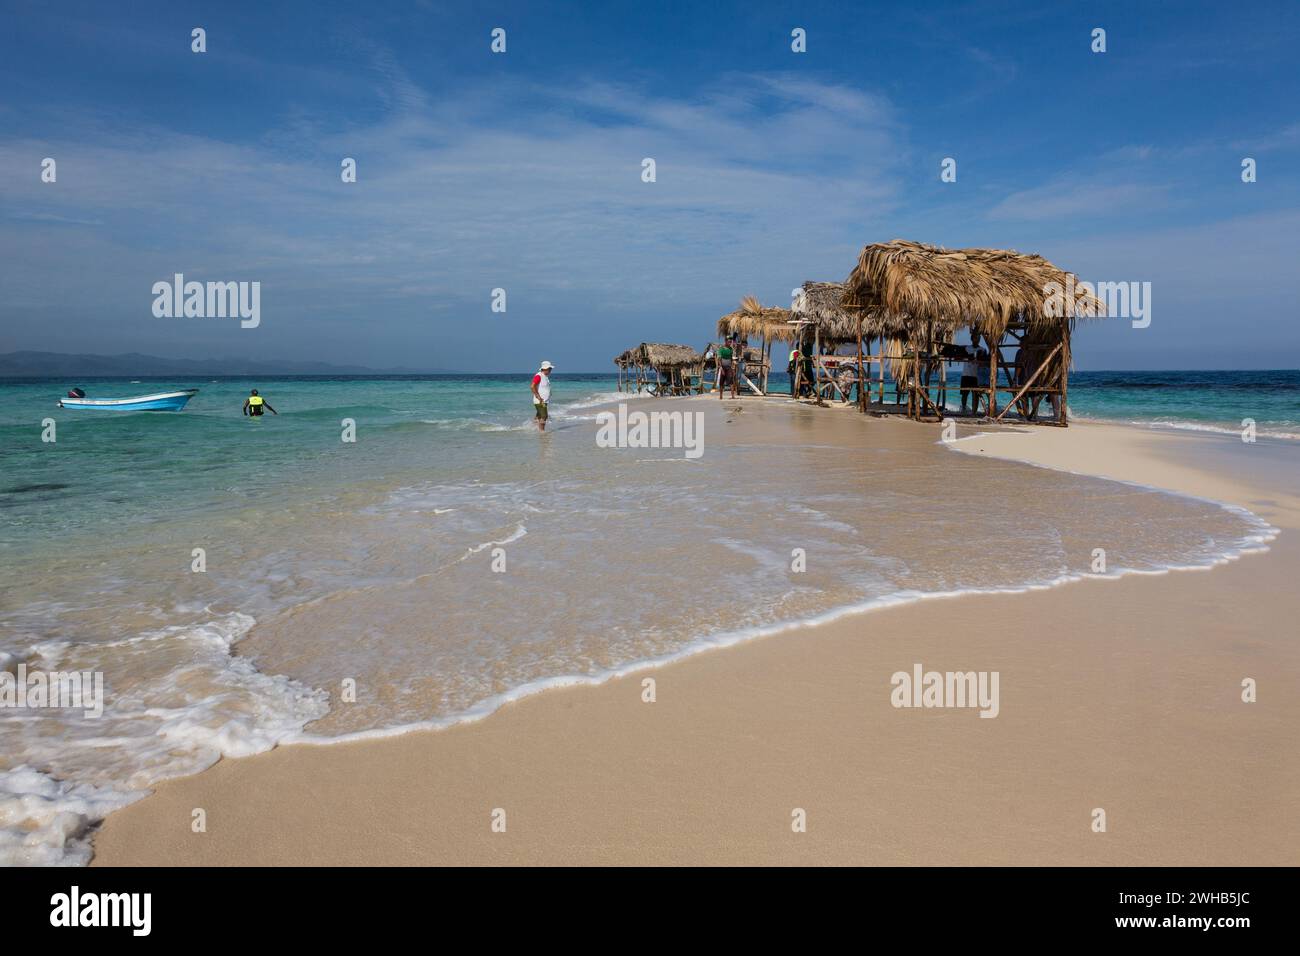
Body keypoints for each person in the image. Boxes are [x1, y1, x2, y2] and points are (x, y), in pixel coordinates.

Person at [959, 332, 980, 415]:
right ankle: (963, 409)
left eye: (978, 338)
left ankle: (974, 411)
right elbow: (960, 355)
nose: (977, 340)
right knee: (964, 394)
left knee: (975, 394)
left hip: (975, 375)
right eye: (975, 338)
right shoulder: (967, 348)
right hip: (966, 374)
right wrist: (969, 356)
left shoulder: (982, 349)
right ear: (972, 339)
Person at [531, 360, 554, 431]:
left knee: (539, 416)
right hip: (540, 401)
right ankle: (542, 432)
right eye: (550, 369)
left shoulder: (545, 376)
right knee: (544, 416)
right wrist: (538, 396)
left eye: (551, 369)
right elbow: (532, 386)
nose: (551, 370)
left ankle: (532, 427)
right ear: (545, 368)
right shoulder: (539, 375)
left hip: (544, 401)